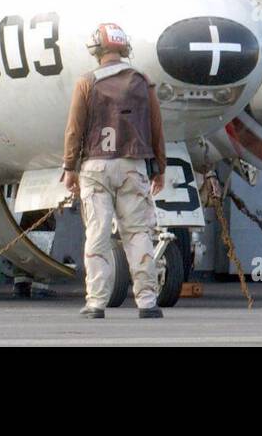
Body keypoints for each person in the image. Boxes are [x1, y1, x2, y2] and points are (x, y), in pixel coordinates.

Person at [61, 23, 167, 319]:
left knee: (97, 234)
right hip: (133, 166)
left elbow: (74, 130)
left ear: (97, 50)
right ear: (125, 48)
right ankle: (147, 301)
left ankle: (96, 302)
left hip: (95, 167)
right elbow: (156, 128)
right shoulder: (143, 82)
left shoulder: (86, 82)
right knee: (138, 233)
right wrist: (159, 167)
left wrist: (70, 167)